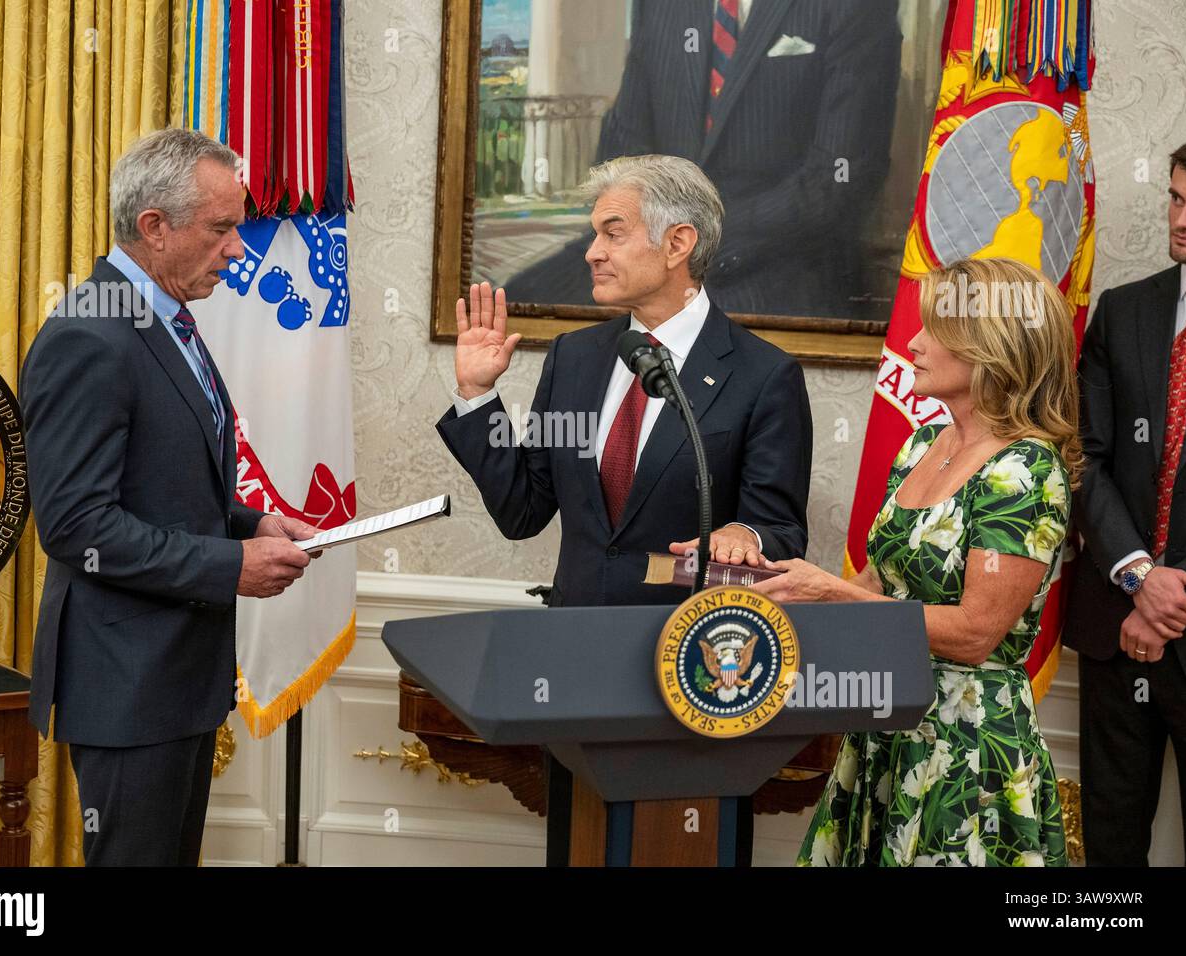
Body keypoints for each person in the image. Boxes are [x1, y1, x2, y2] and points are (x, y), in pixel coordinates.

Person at [21, 128, 319, 866]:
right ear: (155, 228)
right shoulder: (89, 332)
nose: (238, 249)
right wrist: (230, 566)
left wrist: (252, 521)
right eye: (222, 228)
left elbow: (162, 484)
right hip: (126, 688)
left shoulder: (166, 320)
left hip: (174, 680)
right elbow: (75, 524)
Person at [755, 256, 1079, 866]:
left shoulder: (1026, 471)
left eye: (933, 331)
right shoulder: (922, 445)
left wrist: (831, 593)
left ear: (990, 346)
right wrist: (757, 581)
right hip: (885, 730)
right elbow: (877, 581)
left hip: (962, 752)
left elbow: (976, 634)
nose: (913, 344)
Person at [438, 153, 813, 608]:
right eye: (595, 235)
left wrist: (743, 533)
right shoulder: (574, 357)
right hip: (572, 639)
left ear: (677, 244)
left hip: (686, 651)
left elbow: (781, 532)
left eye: (613, 234)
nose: (592, 252)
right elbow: (523, 511)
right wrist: (478, 394)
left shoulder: (764, 376)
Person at [505, 0, 902, 320]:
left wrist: (687, 248)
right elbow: (622, 150)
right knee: (518, 305)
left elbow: (838, 183)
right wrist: (649, 245)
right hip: (651, 252)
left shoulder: (857, 6)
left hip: (776, 260)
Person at [1066, 138, 1186, 866]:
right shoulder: (1125, 311)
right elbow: (1087, 458)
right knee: (1111, 850)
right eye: (1174, 198)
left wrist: (1178, 594)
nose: (1179, 219)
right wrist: (1141, 577)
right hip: (1116, 628)